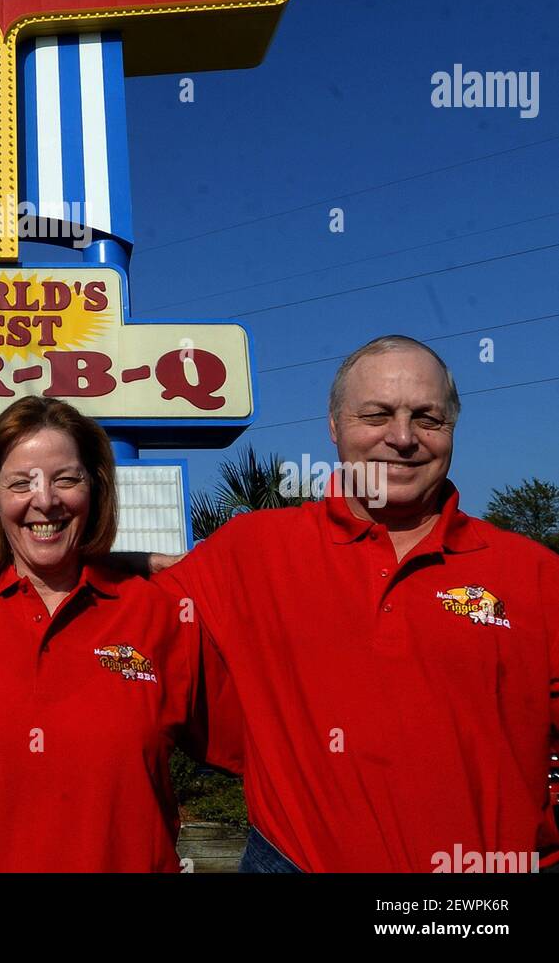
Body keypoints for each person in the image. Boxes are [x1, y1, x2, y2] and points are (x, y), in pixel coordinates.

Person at [156, 334, 559, 873]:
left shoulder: (535, 573)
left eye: (428, 418)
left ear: (452, 428)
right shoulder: (251, 549)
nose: (403, 437)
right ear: (334, 426)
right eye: (376, 415)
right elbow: (116, 629)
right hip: (294, 861)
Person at [0, 395, 227, 873]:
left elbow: (264, 752)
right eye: (20, 483)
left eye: (66, 479)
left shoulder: (164, 618)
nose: (46, 499)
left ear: (95, 489)